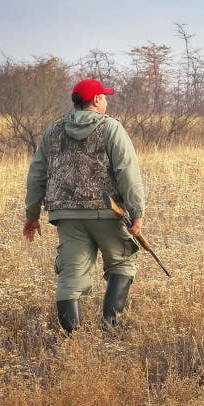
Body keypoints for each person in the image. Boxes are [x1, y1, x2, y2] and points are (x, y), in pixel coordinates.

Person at [23, 78, 146, 333]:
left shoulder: (52, 131)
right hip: (107, 212)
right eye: (104, 95)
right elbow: (127, 172)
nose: (106, 99)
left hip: (66, 216)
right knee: (122, 262)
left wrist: (32, 215)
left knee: (70, 277)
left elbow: (37, 174)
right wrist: (137, 213)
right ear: (97, 100)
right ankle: (109, 326)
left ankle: (73, 340)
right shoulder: (111, 128)